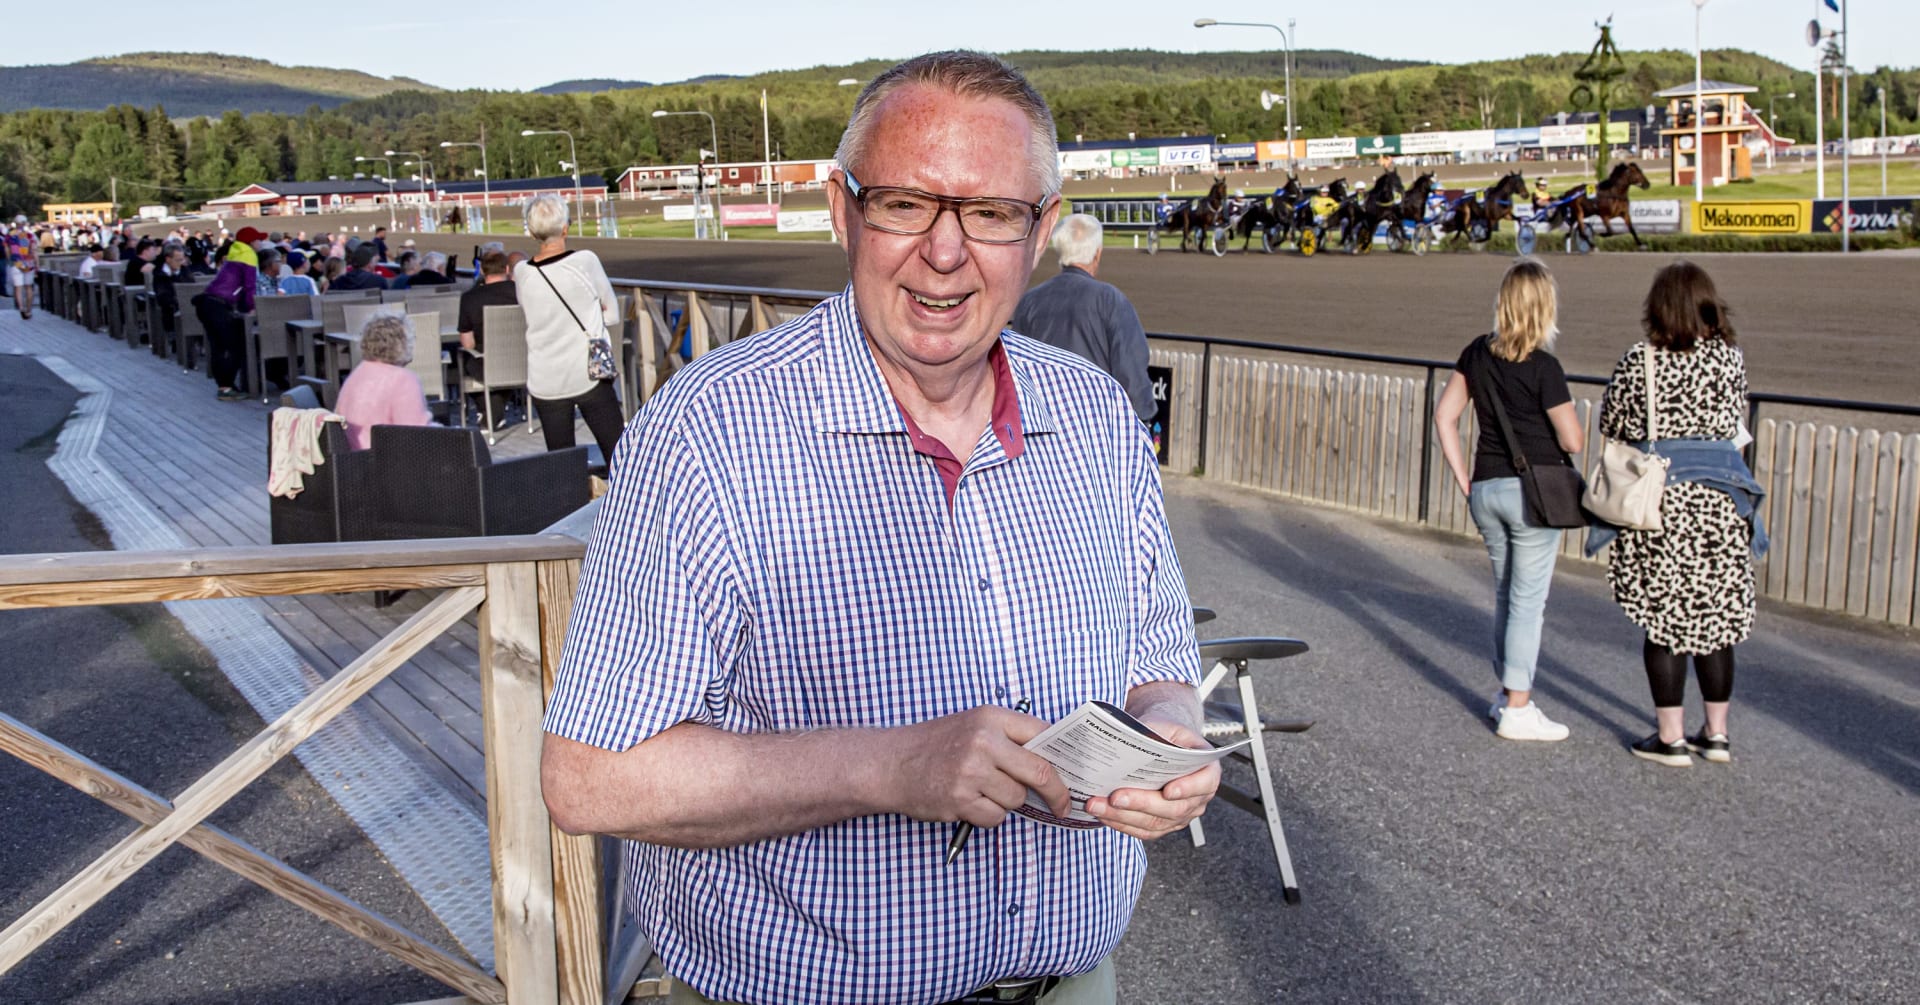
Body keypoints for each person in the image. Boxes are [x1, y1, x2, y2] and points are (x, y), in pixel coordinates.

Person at [541, 51, 1213, 1005]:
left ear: (1043, 230)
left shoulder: (1097, 419)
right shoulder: (711, 434)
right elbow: (589, 780)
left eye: (990, 214)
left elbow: (1160, 661)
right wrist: (892, 765)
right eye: (906, 203)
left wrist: (1168, 736)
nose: (946, 252)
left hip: (1073, 983)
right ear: (842, 209)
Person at [1590, 262, 1764, 767]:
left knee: (1665, 621)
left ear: (1658, 306)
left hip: (1662, 504)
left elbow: (1615, 421)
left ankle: (1671, 739)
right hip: (1720, 503)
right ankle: (1717, 734)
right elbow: (1735, 420)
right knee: (1716, 620)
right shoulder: (1730, 360)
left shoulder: (1639, 360)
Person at [1433, 259, 1585, 741]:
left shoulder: (1476, 353)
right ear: (1544, 309)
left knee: (1505, 595)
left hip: (1487, 488)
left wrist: (1465, 480)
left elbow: (1445, 417)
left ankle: (1506, 694)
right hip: (1533, 496)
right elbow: (1573, 440)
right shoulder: (1545, 367)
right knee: (1527, 601)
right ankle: (1519, 706)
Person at [511, 193, 624, 463]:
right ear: (565, 228)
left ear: (531, 232)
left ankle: (569, 502)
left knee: (561, 464)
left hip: (545, 378)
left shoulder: (521, 272)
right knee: (619, 455)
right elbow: (612, 313)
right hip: (588, 373)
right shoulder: (585, 261)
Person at [1011, 213, 1155, 422]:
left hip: (1042, 427)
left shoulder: (1029, 301)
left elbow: (1018, 371)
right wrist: (1143, 418)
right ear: (1097, 254)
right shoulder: (1110, 300)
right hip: (1095, 427)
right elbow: (1131, 373)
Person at [333, 313, 435, 450]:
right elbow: (416, 436)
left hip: (354, 460)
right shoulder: (403, 380)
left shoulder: (357, 373)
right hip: (386, 462)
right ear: (403, 343)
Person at [194, 226, 262, 401]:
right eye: (258, 240)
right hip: (219, 305)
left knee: (218, 346)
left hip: (207, 301)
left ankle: (224, 386)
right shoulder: (248, 255)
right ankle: (226, 387)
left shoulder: (235, 252)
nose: (260, 243)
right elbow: (249, 286)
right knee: (234, 345)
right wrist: (249, 308)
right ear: (252, 242)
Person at [456, 249, 519, 426]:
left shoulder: (470, 298)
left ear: (483, 271)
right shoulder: (522, 293)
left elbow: (468, 343)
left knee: (465, 359)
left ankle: (490, 415)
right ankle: (493, 414)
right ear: (507, 269)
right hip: (523, 360)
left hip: (487, 362)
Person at [7, 217, 38, 319]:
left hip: (16, 263)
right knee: (29, 287)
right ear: (25, 223)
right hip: (28, 263)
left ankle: (21, 308)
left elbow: (7, 250)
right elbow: (34, 251)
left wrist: (10, 260)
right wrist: (37, 264)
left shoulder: (10, 236)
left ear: (15, 223)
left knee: (18, 288)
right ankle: (29, 310)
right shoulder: (30, 235)